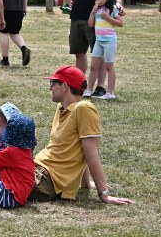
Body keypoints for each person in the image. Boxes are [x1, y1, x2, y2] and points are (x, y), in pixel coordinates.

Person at [31, 65, 133, 205]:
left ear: (65, 86)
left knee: (0, 180)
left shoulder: (84, 109)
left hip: (48, 179)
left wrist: (103, 194)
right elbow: (78, 149)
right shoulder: (62, 107)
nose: (50, 88)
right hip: (36, 167)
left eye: (53, 83)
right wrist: (86, 183)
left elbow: (91, 154)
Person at [58, 0, 124, 97]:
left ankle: (100, 87)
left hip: (96, 21)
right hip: (76, 19)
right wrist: (69, 1)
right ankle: (79, 84)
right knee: (79, 52)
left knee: (98, 55)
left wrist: (119, 3)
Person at [84, 0, 123, 100]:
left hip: (109, 41)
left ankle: (110, 93)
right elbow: (91, 24)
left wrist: (107, 18)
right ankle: (89, 90)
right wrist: (92, 14)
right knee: (93, 66)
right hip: (99, 41)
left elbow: (120, 23)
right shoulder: (96, 9)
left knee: (109, 66)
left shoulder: (113, 9)